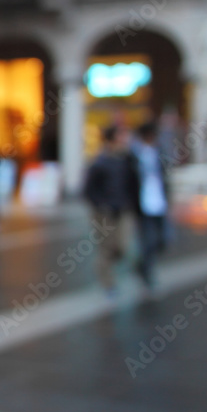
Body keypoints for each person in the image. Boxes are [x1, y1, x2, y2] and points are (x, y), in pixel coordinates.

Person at [83, 125, 139, 295]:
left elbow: (134, 183)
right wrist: (101, 204)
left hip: (123, 209)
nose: (124, 139)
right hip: (104, 213)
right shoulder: (100, 161)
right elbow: (88, 189)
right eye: (120, 136)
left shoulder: (127, 159)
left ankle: (104, 267)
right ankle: (108, 283)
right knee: (106, 248)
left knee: (123, 246)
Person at [133, 121, 168, 290]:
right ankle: (146, 271)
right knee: (148, 240)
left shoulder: (158, 152)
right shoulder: (134, 154)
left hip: (159, 202)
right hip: (143, 204)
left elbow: (164, 177)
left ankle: (142, 265)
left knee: (161, 240)